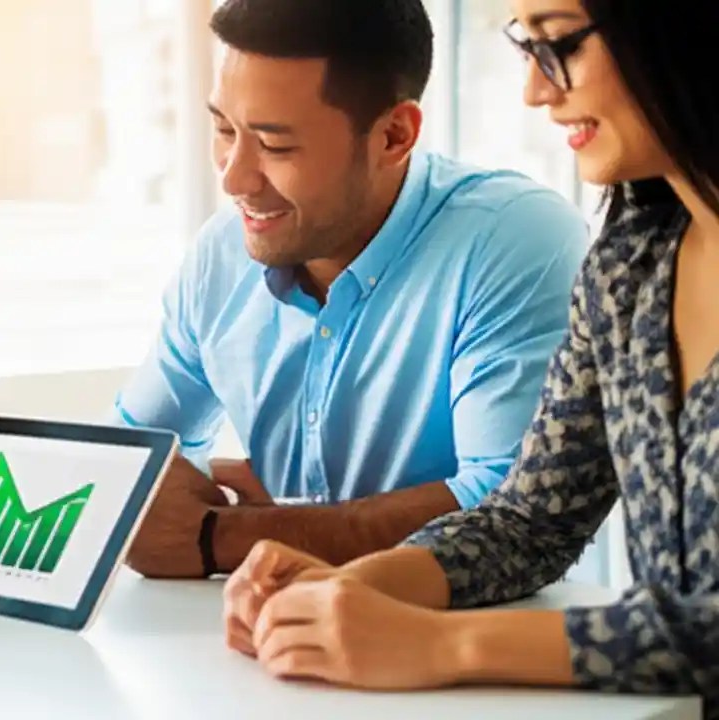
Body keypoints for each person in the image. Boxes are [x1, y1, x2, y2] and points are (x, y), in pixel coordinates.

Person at [222, 0, 719, 712]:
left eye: (559, 44)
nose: (537, 91)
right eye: (527, 48)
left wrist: (439, 646)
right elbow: (529, 521)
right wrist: (353, 587)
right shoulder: (630, 265)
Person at [117, 0, 590, 578]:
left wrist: (227, 535)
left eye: (275, 145)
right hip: (272, 642)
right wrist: (191, 499)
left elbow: (512, 505)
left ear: (393, 135)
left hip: (487, 650)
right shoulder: (222, 254)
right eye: (223, 129)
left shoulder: (513, 238)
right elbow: (127, 454)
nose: (234, 177)